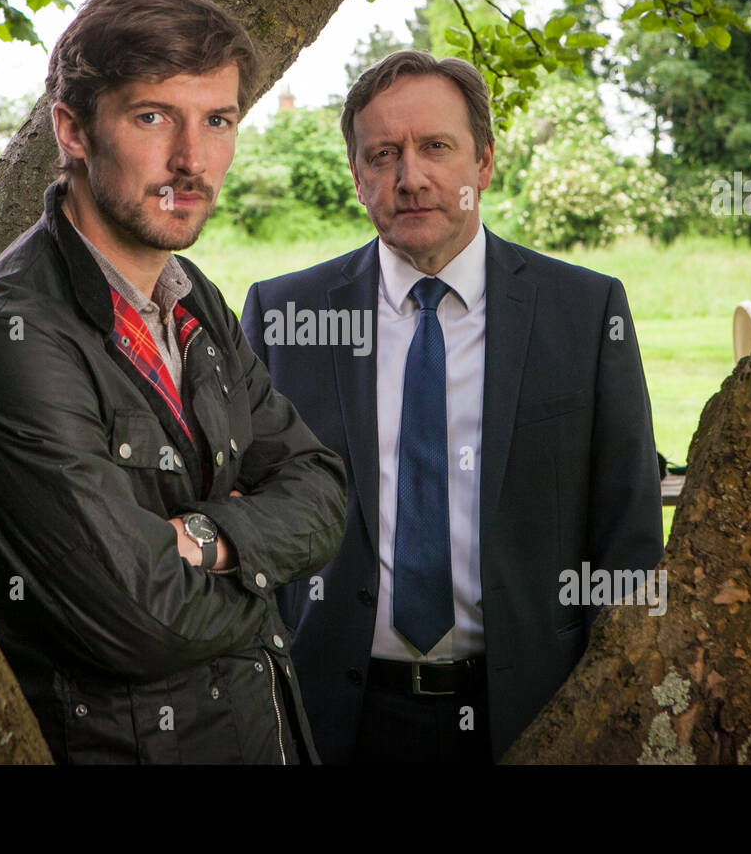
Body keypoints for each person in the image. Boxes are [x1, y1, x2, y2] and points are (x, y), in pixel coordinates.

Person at [0, 0, 347, 764]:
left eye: (218, 120)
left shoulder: (192, 298)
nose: (192, 159)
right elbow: (142, 621)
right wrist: (265, 567)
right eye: (154, 117)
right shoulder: (10, 339)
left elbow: (320, 487)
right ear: (73, 129)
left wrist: (207, 537)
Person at [241, 50, 664, 764]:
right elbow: (247, 512)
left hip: (530, 714)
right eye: (383, 154)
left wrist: (608, 708)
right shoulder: (285, 313)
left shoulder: (585, 312)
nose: (411, 178)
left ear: (484, 164)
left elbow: (628, 533)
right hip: (333, 717)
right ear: (356, 177)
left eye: (437, 146)